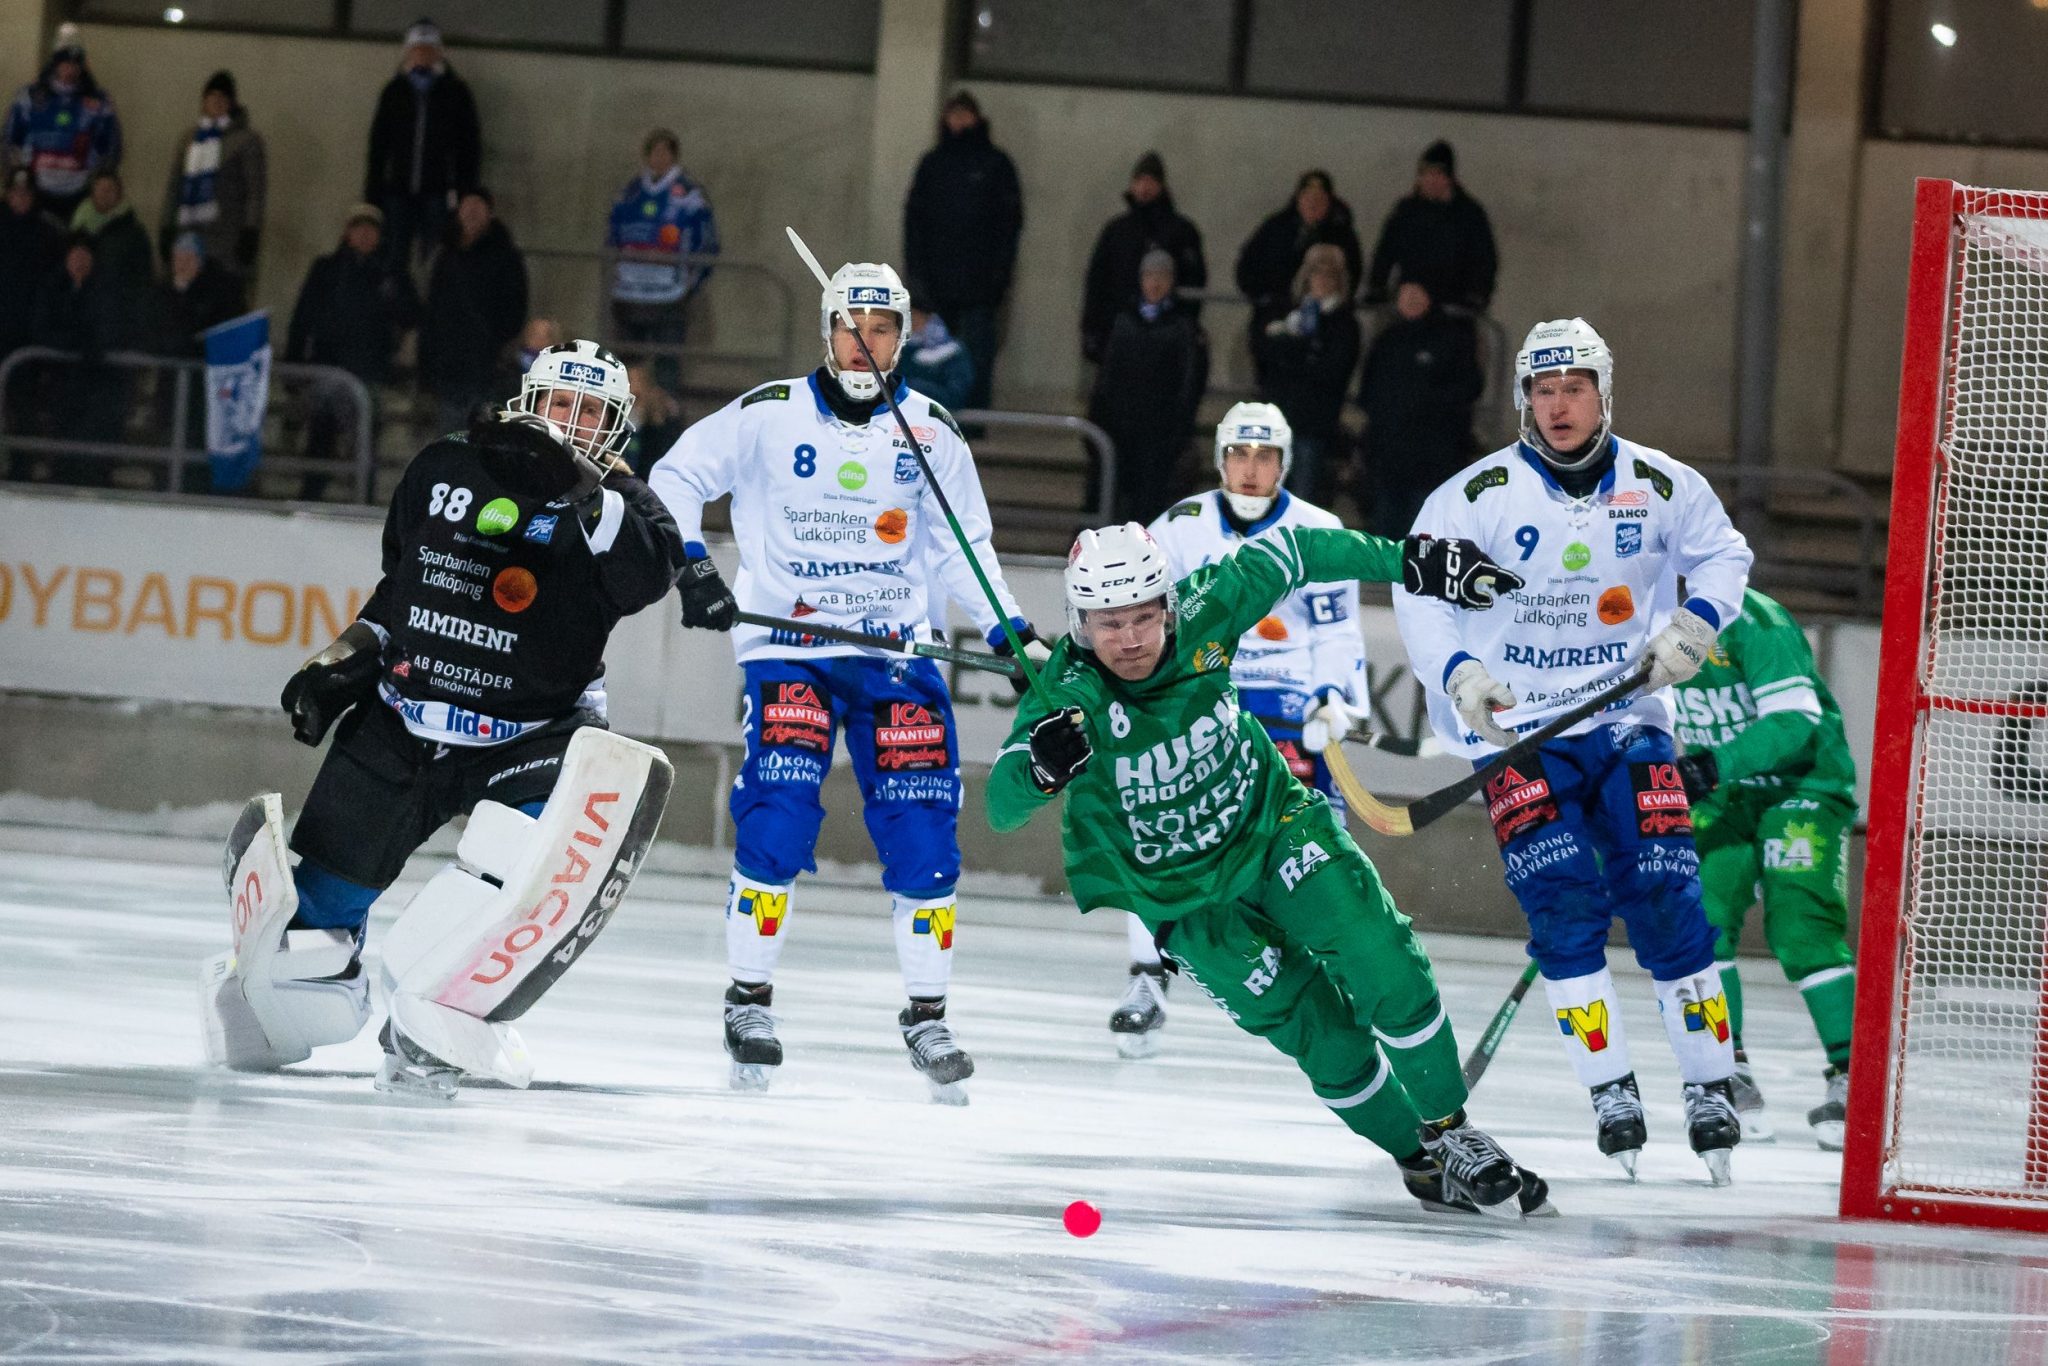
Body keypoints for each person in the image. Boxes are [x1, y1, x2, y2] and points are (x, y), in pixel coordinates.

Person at [987, 520, 1550, 1216]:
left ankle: (1452, 1129)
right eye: (1109, 623)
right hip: (1186, 904)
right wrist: (1041, 768)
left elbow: (1298, 551)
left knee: (1380, 953)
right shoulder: (1065, 698)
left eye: (1143, 617)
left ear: (1169, 606)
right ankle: (1421, 1161)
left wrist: (1411, 561)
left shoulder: (1209, 607)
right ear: (1080, 623)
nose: (1129, 639)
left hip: (1274, 829)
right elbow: (1001, 805)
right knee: (1321, 1035)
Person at [198, 340, 692, 1100]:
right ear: (529, 400)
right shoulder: (445, 463)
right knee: (309, 940)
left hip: (534, 738)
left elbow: (645, 575)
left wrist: (586, 495)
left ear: (618, 427)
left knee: (512, 888)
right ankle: (291, 1003)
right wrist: (347, 654)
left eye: (592, 411)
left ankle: (436, 1019)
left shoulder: (632, 507)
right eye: (561, 403)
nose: (573, 422)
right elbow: (401, 581)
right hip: (403, 720)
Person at [648, 261, 1045, 1103]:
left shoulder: (932, 430)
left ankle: (928, 1015)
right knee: (779, 813)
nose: (866, 343)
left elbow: (962, 548)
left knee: (924, 832)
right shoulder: (766, 413)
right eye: (850, 326)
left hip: (897, 652)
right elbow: (674, 477)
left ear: (903, 338)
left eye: (884, 328)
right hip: (787, 648)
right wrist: (693, 564)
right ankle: (749, 999)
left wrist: (1012, 632)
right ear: (827, 330)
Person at [1391, 317, 1755, 1185]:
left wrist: (1697, 623)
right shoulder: (1474, 496)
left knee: (1665, 894)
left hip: (1628, 718)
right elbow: (1419, 590)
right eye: (1544, 391)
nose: (1559, 406)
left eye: (1575, 389)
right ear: (1525, 399)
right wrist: (1461, 676)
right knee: (1561, 906)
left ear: (1603, 394)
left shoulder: (1661, 483)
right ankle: (1610, 1090)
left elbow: (1723, 556)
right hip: (1518, 733)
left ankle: (1709, 1085)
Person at [1108, 402, 1366, 1056]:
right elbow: (1143, 617)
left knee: (1315, 847)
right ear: (1221, 459)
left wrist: (1332, 697)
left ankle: (1345, 980)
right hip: (1203, 699)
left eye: (1265, 456)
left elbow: (1338, 631)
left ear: (1285, 463)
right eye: (1239, 455)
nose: (1251, 470)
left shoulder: (1319, 531)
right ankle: (1148, 977)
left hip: (1287, 705)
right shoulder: (1177, 528)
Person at [1671, 588, 1859, 1150]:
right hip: (1723, 790)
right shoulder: (1631, 613)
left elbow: (1795, 718)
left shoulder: (1754, 618)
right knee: (1700, 922)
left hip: (1801, 785)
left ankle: (1855, 1075)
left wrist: (1714, 765)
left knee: (1801, 928)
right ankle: (1726, 1072)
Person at [285, 203, 420, 500]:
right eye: (358, 228)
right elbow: (303, 317)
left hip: (369, 373)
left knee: (364, 444)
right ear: (348, 233)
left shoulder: (391, 273)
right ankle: (310, 498)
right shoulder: (326, 269)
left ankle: (361, 500)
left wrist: (393, 296)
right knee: (320, 440)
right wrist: (294, 365)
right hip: (328, 368)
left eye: (371, 229)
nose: (364, 235)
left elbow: (412, 315)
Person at [902, 91, 1022, 411]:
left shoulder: (996, 165)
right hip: (935, 290)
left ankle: (973, 429)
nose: (958, 120)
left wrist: (997, 280)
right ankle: (931, 425)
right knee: (930, 363)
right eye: (953, 114)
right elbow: (914, 226)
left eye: (964, 114)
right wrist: (917, 282)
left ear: (976, 118)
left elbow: (1009, 227)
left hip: (979, 291)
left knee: (976, 364)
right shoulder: (932, 165)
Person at [1087, 248, 1208, 524]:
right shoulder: (1124, 321)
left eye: (1162, 277)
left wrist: (1178, 428)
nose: (1155, 283)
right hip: (1121, 428)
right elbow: (1107, 377)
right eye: (1150, 276)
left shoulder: (1182, 327)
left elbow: (1188, 383)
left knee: (1149, 502)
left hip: (1159, 432)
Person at [1355, 281, 1483, 538]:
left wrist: (1427, 407)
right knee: (1386, 529)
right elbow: (1370, 390)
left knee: (1424, 530)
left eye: (1417, 293)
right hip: (1389, 455)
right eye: (1405, 293)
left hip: (1432, 457)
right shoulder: (1388, 339)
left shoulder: (1453, 339)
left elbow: (1468, 387)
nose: (1411, 299)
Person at [606, 128, 718, 397]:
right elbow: (613, 235)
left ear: (674, 156)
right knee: (627, 362)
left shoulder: (689, 195)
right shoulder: (630, 192)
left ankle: (666, 412)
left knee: (667, 362)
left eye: (665, 152)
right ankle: (626, 412)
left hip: (669, 294)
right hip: (629, 292)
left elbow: (707, 241)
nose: (659, 158)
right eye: (654, 152)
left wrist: (690, 283)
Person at [363, 18, 482, 271]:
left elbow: (468, 147)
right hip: (397, 192)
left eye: (428, 49)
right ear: (408, 51)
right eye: (417, 49)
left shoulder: (456, 92)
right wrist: (373, 194)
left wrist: (465, 193)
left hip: (439, 192)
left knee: (438, 259)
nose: (422, 55)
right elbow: (378, 146)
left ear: (439, 52)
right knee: (394, 259)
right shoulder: (394, 91)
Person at [1253, 242, 1360, 504]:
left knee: (1303, 496)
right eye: (1316, 272)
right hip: (1280, 418)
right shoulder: (1289, 313)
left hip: (1314, 423)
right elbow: (1267, 354)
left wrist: (1295, 353)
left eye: (1329, 275)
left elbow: (1332, 370)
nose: (1321, 280)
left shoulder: (1343, 323)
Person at [1080, 151, 1206, 366]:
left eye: (1150, 181)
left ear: (1161, 186)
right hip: (1118, 333)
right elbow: (1097, 282)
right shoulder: (1116, 231)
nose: (1144, 187)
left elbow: (1194, 284)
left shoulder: (1181, 232)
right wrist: (1092, 331)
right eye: (1139, 181)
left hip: (1164, 335)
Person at [420, 188, 528, 436]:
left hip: (485, 368)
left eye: (478, 208)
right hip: (448, 367)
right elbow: (433, 311)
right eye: (467, 208)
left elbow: (515, 308)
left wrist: (491, 342)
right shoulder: (445, 255)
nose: (471, 214)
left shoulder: (506, 257)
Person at [1234, 171, 1362, 359]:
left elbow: (1351, 277)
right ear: (1298, 198)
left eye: (1320, 199)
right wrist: (1263, 298)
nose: (1313, 204)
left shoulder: (1342, 236)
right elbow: (1247, 266)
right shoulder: (1275, 228)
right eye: (1307, 197)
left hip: (1325, 325)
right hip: (1274, 316)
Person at [158, 70, 266, 291]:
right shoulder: (189, 139)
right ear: (204, 101)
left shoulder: (246, 141)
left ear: (232, 103)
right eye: (212, 96)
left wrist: (250, 231)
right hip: (188, 236)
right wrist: (166, 225)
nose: (217, 102)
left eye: (223, 97)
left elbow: (255, 190)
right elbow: (174, 186)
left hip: (226, 238)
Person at [4, 24, 122, 222]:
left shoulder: (99, 102)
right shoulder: (29, 97)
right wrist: (13, 183)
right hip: (36, 192)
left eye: (75, 64)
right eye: (65, 63)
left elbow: (112, 148)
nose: (70, 69)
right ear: (55, 64)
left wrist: (99, 187)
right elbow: (8, 141)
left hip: (81, 193)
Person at [1365, 141, 1498, 314]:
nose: (1430, 180)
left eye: (1437, 174)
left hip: (1453, 307)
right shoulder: (1406, 212)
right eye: (1425, 174)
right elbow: (1385, 252)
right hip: (1410, 304)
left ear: (1449, 178)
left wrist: (1476, 295)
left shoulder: (1470, 215)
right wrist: (1377, 287)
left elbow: (1485, 260)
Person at [2, 168, 64, 363]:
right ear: (8, 195)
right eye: (16, 193)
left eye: (26, 193)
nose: (21, 198)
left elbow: (55, 280)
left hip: (31, 327)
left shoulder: (49, 233)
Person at [70, 169, 154, 309]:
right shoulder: (78, 228)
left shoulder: (133, 234)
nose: (104, 194)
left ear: (119, 195)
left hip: (115, 306)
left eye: (110, 190)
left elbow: (142, 276)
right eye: (100, 189)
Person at [898, 298, 973, 414]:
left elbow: (955, 396)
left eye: (913, 316)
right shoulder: (903, 350)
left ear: (928, 316)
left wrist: (912, 387)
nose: (910, 323)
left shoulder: (953, 351)